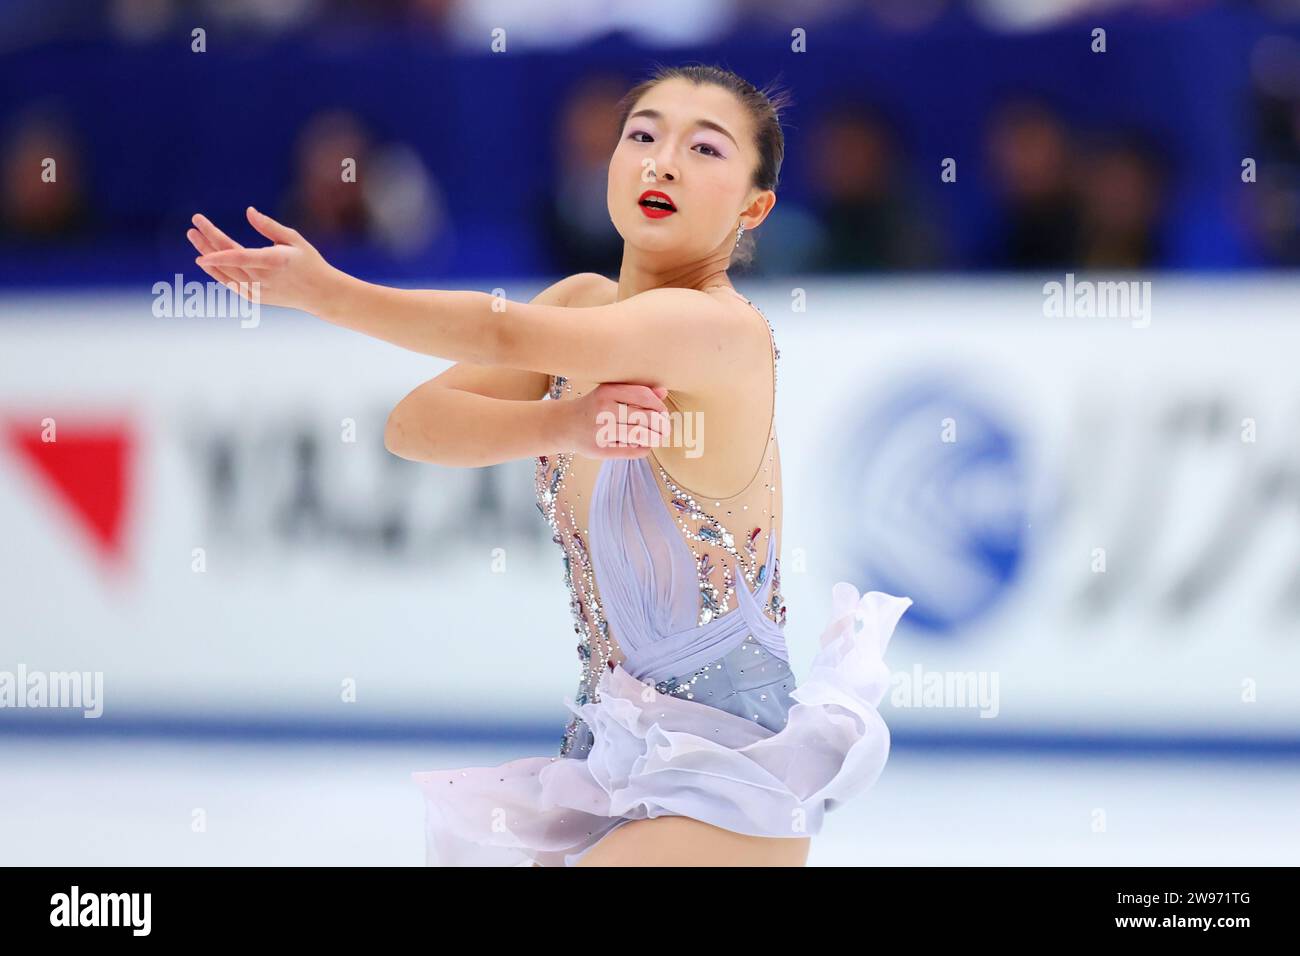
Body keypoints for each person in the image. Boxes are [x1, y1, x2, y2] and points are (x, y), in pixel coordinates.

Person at [186, 64, 912, 867]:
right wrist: (567, 420)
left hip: (729, 787)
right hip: (607, 766)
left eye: (704, 149)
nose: (661, 162)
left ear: (755, 204)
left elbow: (499, 334)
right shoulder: (579, 304)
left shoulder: (719, 330)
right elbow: (414, 425)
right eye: (642, 135)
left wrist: (331, 293)